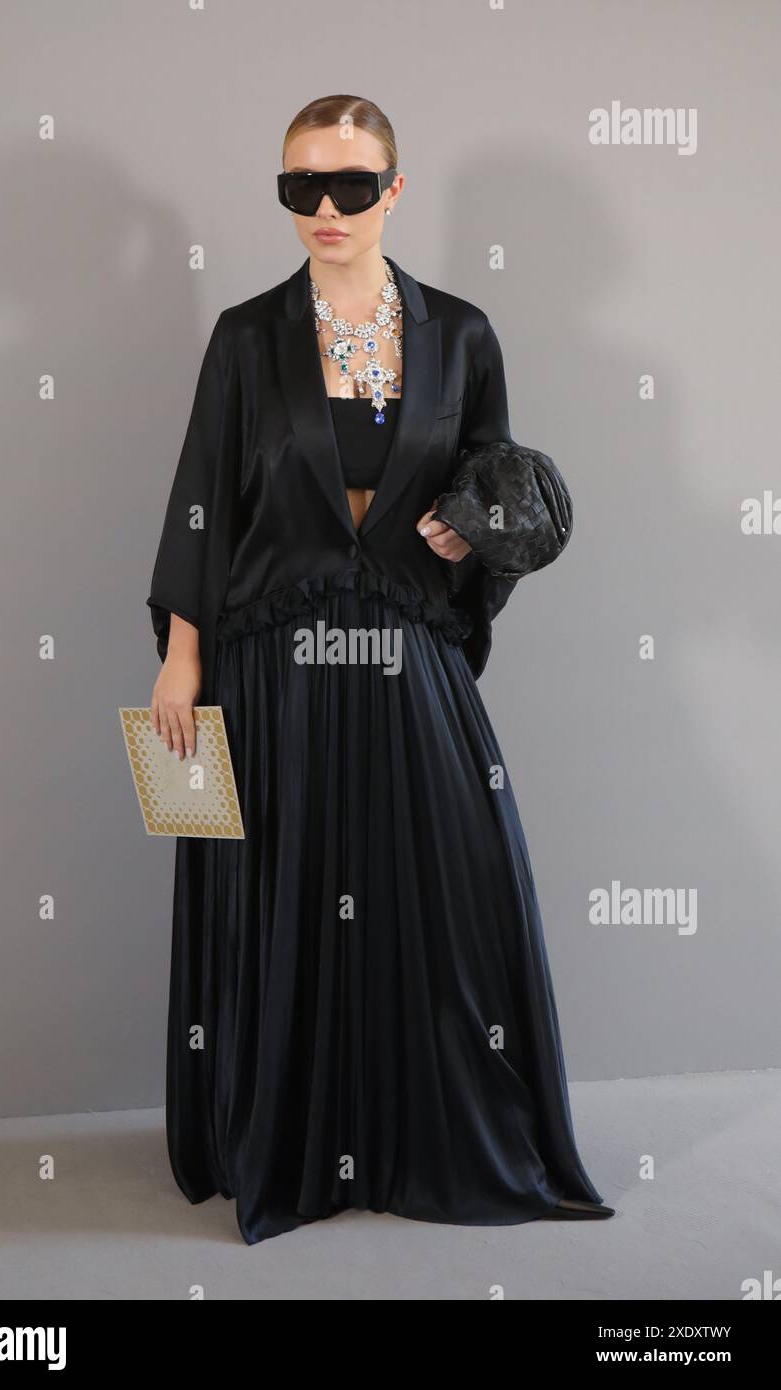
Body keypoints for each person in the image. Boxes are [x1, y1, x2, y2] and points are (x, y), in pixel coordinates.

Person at [147, 94, 613, 1245]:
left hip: (409, 653)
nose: (324, 209)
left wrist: (470, 530)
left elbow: (501, 488)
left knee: (453, 888)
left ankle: (431, 1135)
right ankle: (292, 1145)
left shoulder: (459, 334)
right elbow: (202, 504)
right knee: (285, 903)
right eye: (298, 187)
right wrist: (180, 657)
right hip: (272, 668)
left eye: (349, 186)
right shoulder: (245, 337)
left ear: (392, 191)